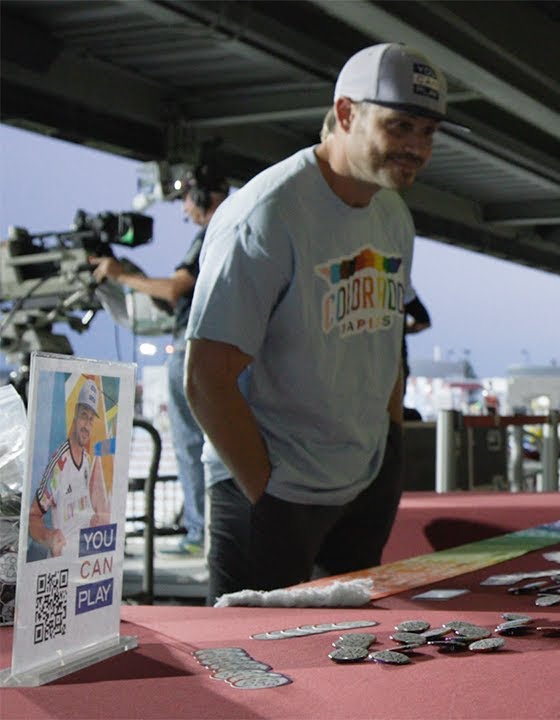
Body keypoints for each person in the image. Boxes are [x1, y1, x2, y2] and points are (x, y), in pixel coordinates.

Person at [184, 43, 448, 603]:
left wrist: (391, 445)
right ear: (347, 113)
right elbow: (206, 376)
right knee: (254, 666)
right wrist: (268, 492)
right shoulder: (268, 213)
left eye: (428, 132)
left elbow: (385, 338)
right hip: (272, 489)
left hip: (365, 479)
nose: (417, 147)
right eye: (400, 125)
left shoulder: (394, 214)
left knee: (350, 660)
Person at [90, 165, 228, 556]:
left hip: (193, 351)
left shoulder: (212, 235)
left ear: (202, 196)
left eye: (185, 199)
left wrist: (118, 274)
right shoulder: (236, 232)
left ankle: (200, 534)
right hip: (219, 350)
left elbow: (173, 290)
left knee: (191, 446)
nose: (184, 210)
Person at [28, 378, 109, 559]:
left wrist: (93, 519)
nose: (86, 425)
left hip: (85, 562)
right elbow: (33, 517)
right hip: (62, 569)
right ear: (75, 414)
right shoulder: (60, 464)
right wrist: (48, 537)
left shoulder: (88, 462)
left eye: (91, 419)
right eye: (83, 415)